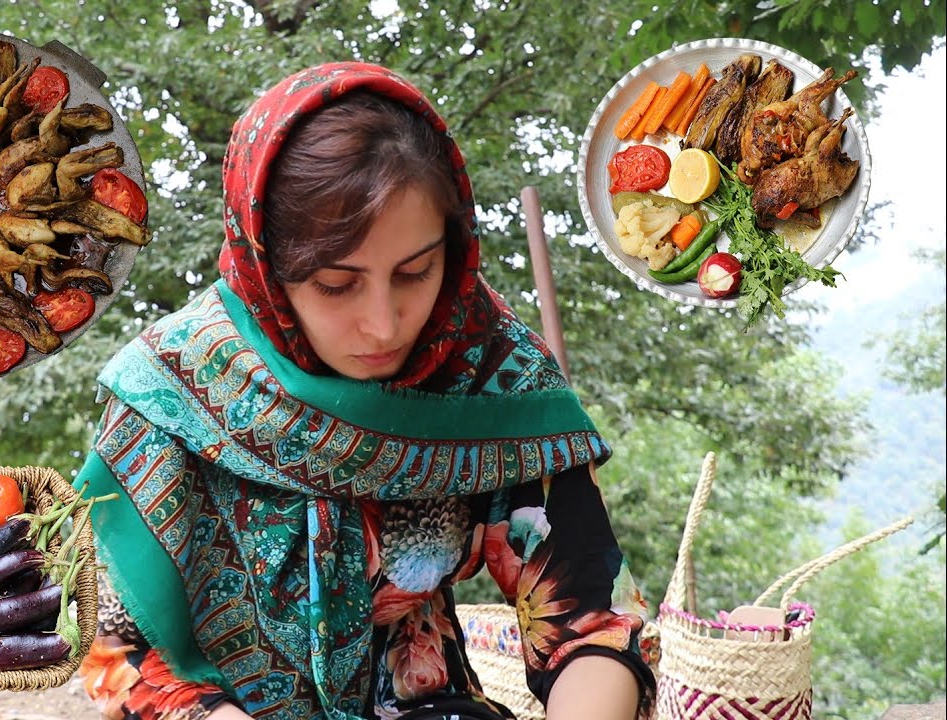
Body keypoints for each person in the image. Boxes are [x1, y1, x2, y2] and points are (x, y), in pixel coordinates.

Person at [73, 61, 655, 720]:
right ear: (265, 269)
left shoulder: (488, 367)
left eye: (416, 272)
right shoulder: (170, 394)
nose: (384, 325)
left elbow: (592, 620)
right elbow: (122, 652)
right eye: (334, 284)